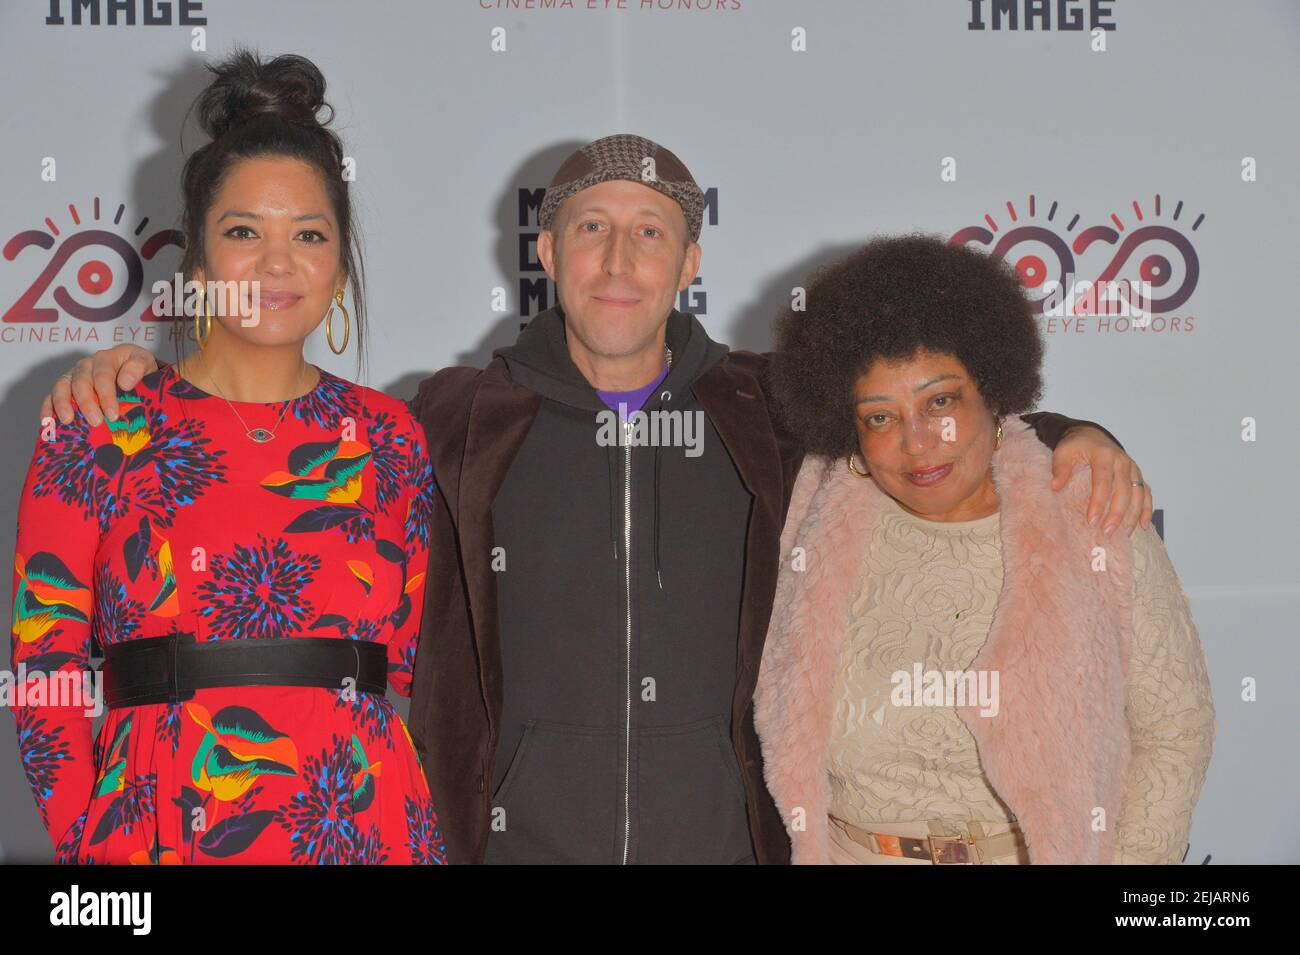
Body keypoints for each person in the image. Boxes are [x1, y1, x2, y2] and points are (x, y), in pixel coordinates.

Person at [42, 135, 1151, 864]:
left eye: (649, 230)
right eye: (589, 227)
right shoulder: (446, 419)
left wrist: (1061, 434)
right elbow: (258, 433)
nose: (618, 256)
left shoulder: (768, 407)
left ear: (688, 258)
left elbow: (920, 424)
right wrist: (125, 370)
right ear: (546, 248)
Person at [12, 51, 447, 864]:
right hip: (157, 831)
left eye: (309, 235)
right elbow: (45, 668)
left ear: (339, 264)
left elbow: (426, 669)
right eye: (244, 231)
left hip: (361, 825)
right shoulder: (96, 423)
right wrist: (92, 841)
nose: (276, 264)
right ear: (199, 256)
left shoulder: (390, 434)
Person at [754, 235, 1215, 864]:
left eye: (940, 402)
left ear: (993, 392)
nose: (918, 443)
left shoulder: (1092, 516)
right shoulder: (803, 511)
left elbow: (1175, 731)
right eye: (881, 417)